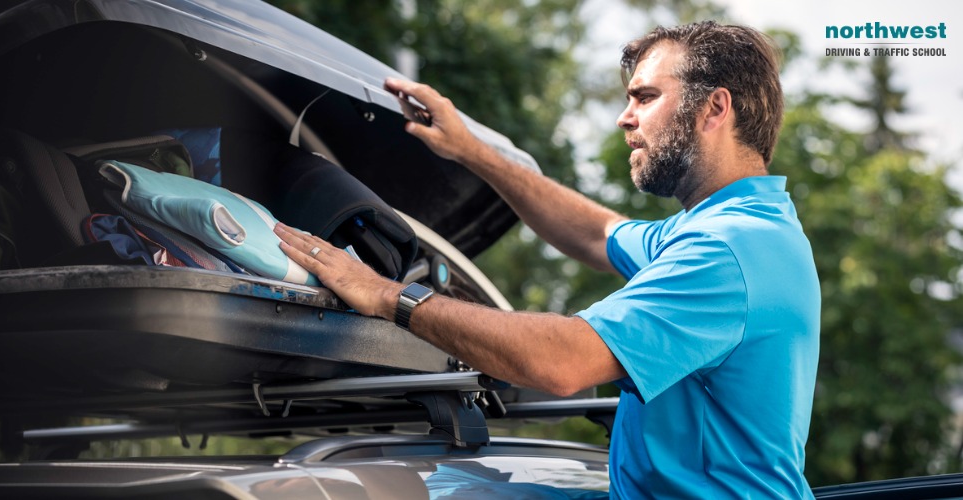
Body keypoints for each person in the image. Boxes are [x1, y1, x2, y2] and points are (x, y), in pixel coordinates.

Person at [274, 20, 820, 499]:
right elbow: (596, 231)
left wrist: (389, 295)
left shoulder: (727, 251)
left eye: (645, 96)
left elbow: (564, 363)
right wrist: (471, 151)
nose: (624, 119)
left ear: (715, 108)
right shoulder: (728, 228)